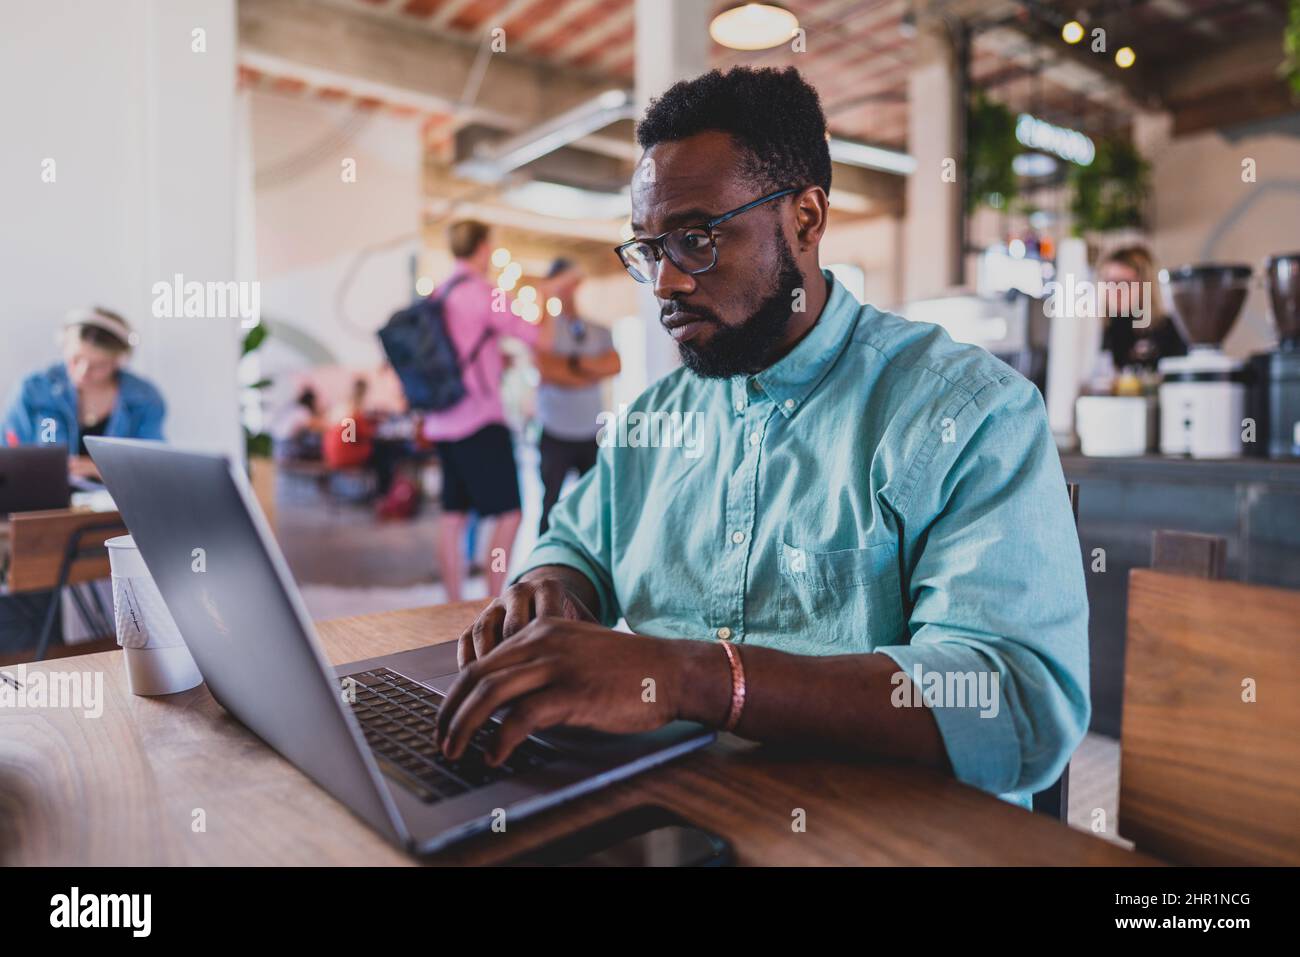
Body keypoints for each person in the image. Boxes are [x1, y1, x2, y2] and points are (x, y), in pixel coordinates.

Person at [433, 67, 1089, 811]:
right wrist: (546, 586)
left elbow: (1017, 702)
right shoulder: (659, 415)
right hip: (668, 812)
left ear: (805, 220)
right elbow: (578, 544)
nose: (665, 285)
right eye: (650, 249)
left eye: (696, 239)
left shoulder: (967, 413)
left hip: (872, 837)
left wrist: (686, 677)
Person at [423, 220, 543, 600]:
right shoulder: (483, 293)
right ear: (483, 247)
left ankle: (453, 603)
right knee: (510, 513)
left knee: (452, 516)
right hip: (479, 419)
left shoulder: (438, 296)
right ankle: (496, 598)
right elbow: (532, 333)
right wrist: (547, 296)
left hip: (441, 420)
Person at [2, 307, 165, 480]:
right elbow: (7, 455)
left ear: (118, 362)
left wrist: (100, 469)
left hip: (113, 504)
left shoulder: (145, 398)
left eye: (99, 365)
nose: (83, 372)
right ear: (64, 346)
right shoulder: (33, 389)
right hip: (42, 503)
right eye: (76, 358)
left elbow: (152, 467)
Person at [533, 258, 621, 535]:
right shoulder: (545, 331)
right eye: (561, 284)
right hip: (555, 431)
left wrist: (569, 365)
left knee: (596, 504)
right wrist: (588, 369)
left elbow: (614, 365)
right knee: (550, 504)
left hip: (591, 433)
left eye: (571, 284)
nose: (567, 290)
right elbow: (546, 367)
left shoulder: (598, 329)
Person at [1098, 245, 1186, 371]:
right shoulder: (1099, 331)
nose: (1114, 291)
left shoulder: (1169, 330)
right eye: (1108, 283)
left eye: (1125, 284)